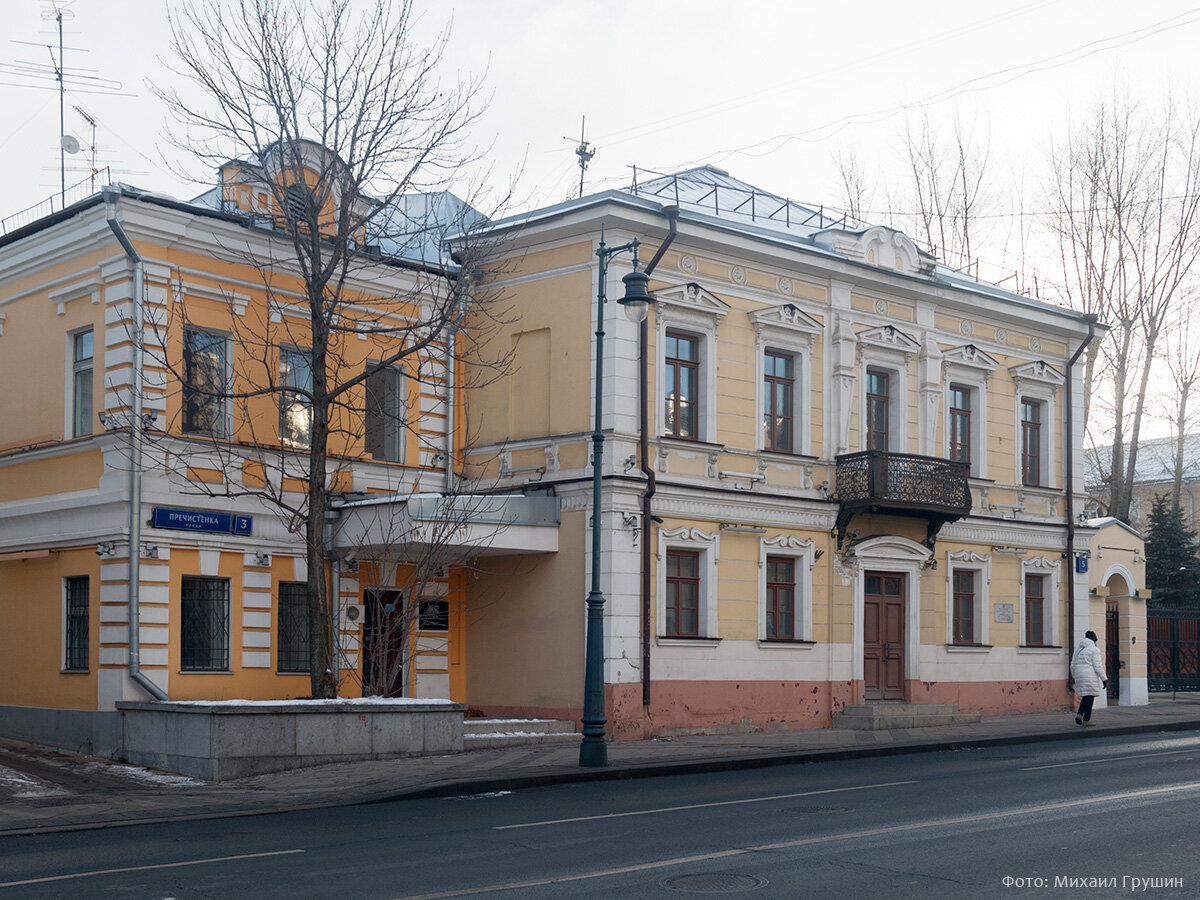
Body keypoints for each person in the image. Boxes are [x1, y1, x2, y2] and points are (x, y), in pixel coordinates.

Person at [1070, 630, 1107, 726]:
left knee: (1086, 696)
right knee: (1090, 697)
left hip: (1079, 674)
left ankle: (1079, 714)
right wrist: (1104, 679)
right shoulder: (1094, 650)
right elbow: (1097, 666)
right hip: (1089, 675)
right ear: (1094, 640)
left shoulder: (1078, 649)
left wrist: (1075, 676)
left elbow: (1072, 664)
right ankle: (1086, 720)